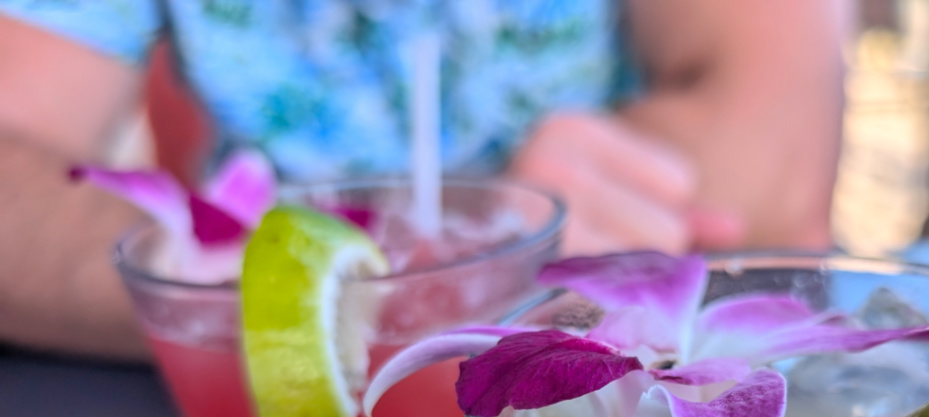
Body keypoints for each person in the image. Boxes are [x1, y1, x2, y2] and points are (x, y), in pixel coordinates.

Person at [0, 1, 850, 360]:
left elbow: (773, 173)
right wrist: (263, 289)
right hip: (269, 415)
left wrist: (459, 265)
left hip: (605, 412)